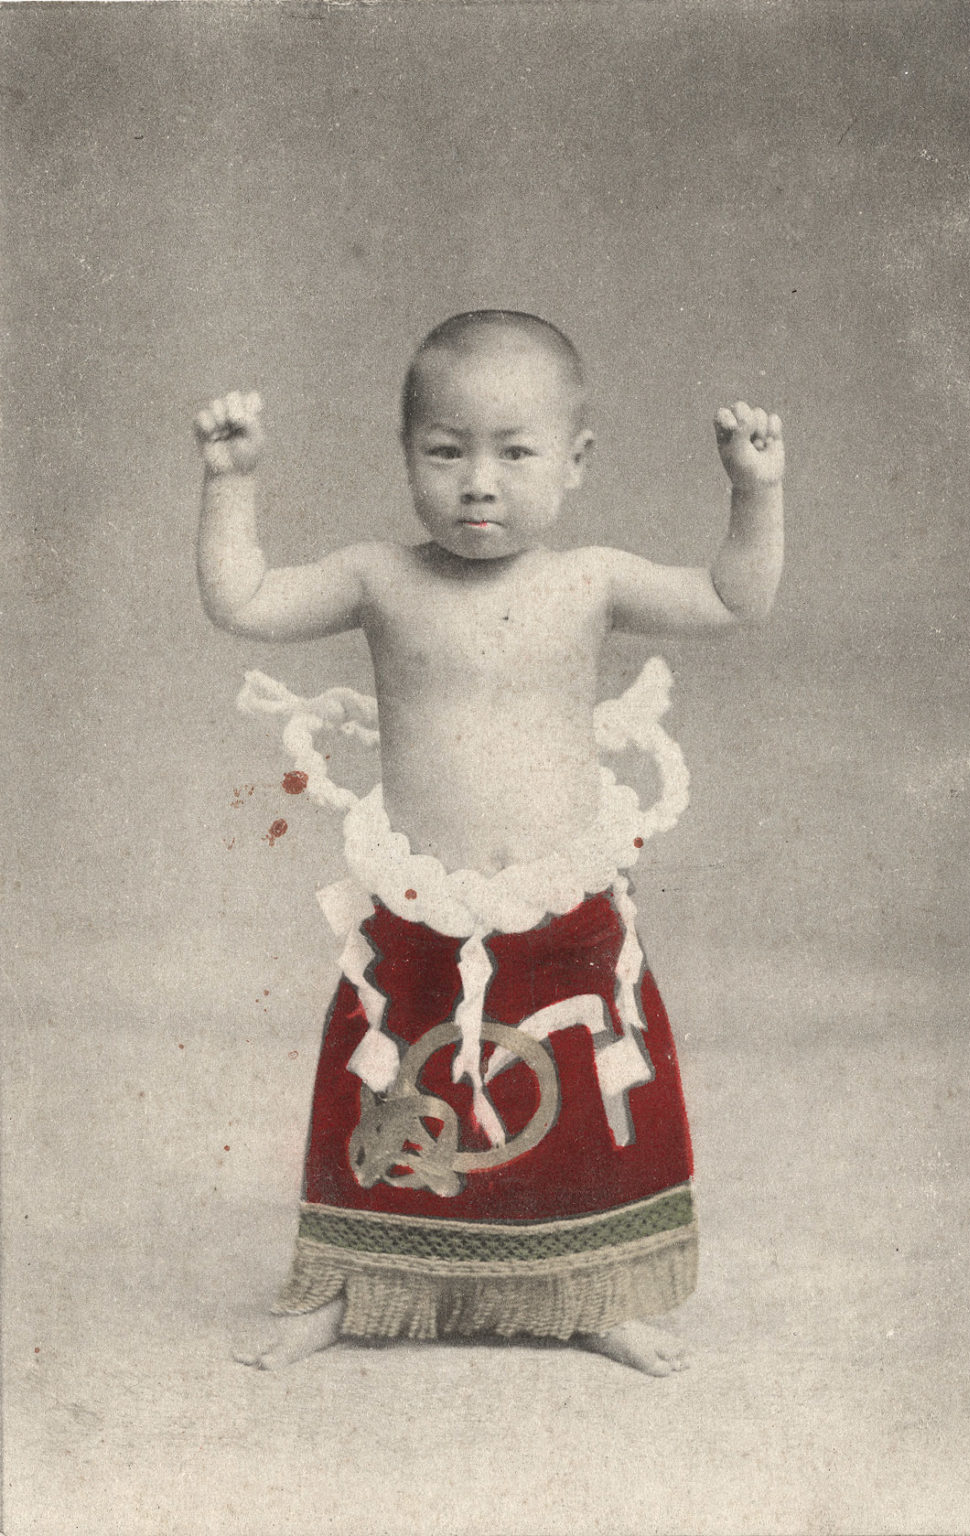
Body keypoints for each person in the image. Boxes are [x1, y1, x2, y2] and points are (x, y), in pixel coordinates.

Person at [195, 310, 784, 1375]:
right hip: (419, 908)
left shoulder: (590, 579)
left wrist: (756, 492)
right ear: (407, 455)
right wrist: (231, 483)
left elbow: (732, 598)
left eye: (515, 454)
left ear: (576, 462)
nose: (479, 482)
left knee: (587, 1109)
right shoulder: (380, 576)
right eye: (446, 450)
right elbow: (241, 602)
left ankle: (586, 1290)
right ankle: (348, 1283)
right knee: (380, 1093)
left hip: (563, 908)